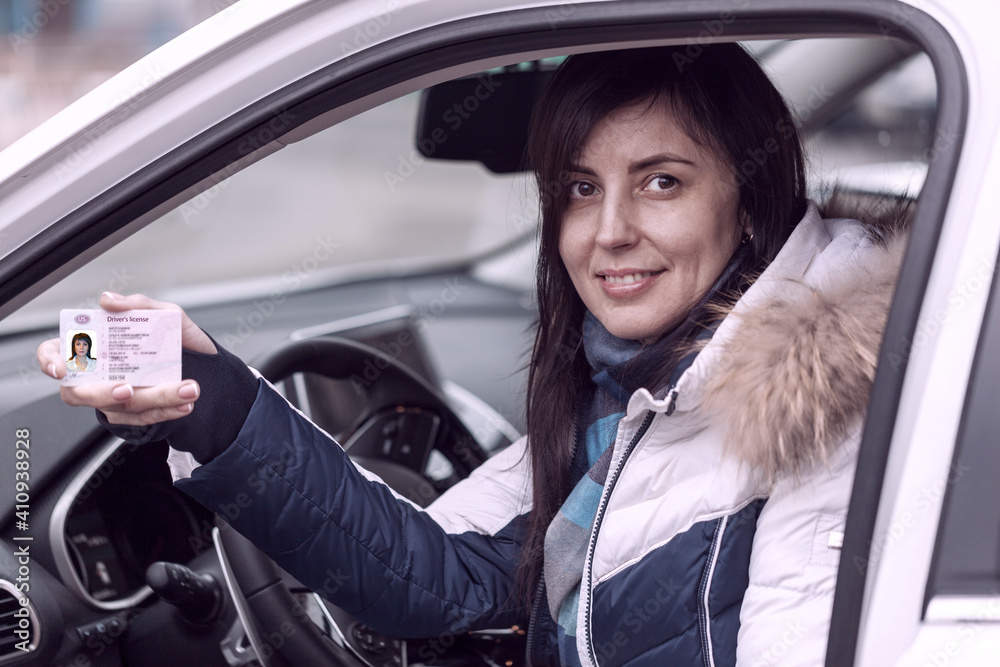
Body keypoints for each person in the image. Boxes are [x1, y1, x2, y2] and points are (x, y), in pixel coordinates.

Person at [37, 44, 907, 666]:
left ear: (751, 203)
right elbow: (429, 577)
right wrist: (213, 403)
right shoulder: (633, 392)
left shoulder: (836, 411)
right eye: (579, 188)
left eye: (661, 181)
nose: (609, 234)